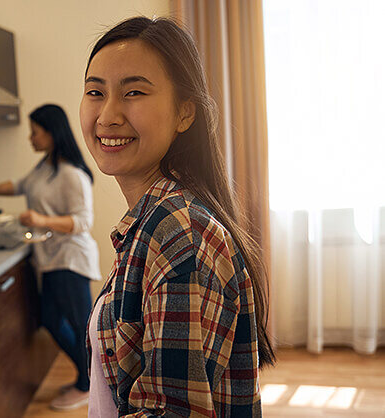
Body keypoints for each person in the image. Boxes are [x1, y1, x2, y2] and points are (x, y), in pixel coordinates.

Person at [79, 17, 276, 417]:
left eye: (133, 92)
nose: (108, 115)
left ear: (185, 114)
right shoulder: (152, 222)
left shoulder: (178, 231)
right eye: (95, 92)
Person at [0, 104, 101, 410]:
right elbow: (19, 185)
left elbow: (83, 221)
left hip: (71, 260)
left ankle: (89, 385)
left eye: (35, 132)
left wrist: (40, 220)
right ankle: (88, 378)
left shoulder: (72, 174)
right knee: (50, 319)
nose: (30, 138)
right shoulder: (45, 167)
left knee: (81, 327)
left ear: (52, 133)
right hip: (53, 260)